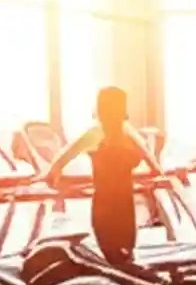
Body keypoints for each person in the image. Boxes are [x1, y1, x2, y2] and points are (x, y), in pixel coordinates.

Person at [42, 87, 162, 265]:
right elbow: (148, 157)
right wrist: (157, 172)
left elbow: (68, 153)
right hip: (116, 203)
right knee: (120, 250)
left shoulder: (113, 133)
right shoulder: (119, 134)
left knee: (116, 248)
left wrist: (53, 171)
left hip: (113, 203)